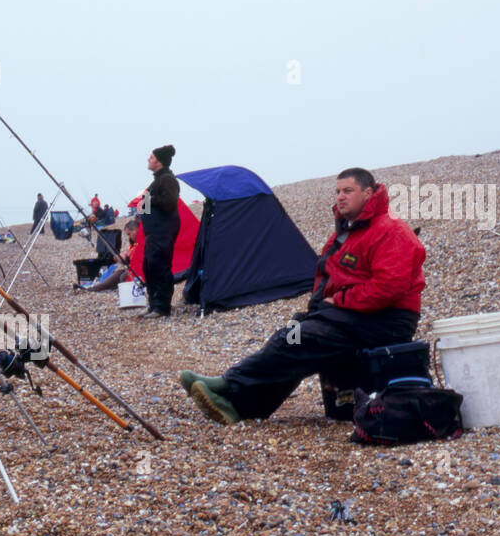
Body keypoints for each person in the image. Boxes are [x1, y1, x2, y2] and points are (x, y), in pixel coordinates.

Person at [180, 167, 426, 423]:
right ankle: (239, 406)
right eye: (338, 191)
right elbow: (328, 275)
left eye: (348, 191)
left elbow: (388, 287)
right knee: (293, 336)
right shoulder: (349, 231)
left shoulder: (391, 231)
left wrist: (340, 301)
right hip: (352, 316)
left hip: (386, 320)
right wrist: (320, 310)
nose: (340, 197)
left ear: (368, 193)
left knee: (297, 339)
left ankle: (228, 385)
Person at [138, 145, 179, 318]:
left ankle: (162, 307)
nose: (149, 159)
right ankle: (153, 303)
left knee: (160, 266)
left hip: (163, 231)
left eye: (152, 157)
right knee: (149, 266)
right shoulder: (156, 181)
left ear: (159, 162)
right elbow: (147, 208)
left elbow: (170, 202)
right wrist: (143, 205)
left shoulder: (168, 179)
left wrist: (149, 200)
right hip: (152, 233)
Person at [82, 219, 139, 291]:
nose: (129, 237)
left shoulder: (142, 241)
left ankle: (126, 292)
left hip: (139, 270)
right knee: (118, 273)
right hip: (132, 268)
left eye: (129, 234)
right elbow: (129, 253)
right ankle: (95, 288)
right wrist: (120, 257)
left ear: (135, 230)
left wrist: (126, 258)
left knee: (123, 276)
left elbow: (137, 257)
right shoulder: (135, 243)